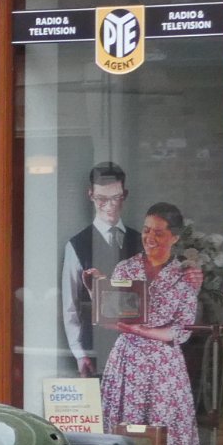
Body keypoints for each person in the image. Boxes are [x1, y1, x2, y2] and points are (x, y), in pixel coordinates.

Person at [101, 201, 202, 445]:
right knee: (124, 431)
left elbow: (182, 330)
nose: (150, 238)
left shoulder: (185, 275)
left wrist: (143, 331)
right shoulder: (126, 269)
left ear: (175, 237)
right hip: (127, 360)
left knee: (162, 438)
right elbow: (110, 318)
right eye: (147, 230)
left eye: (158, 232)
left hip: (163, 366)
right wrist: (97, 291)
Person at [60, 161, 141, 378]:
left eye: (116, 198)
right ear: (91, 195)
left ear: (124, 194)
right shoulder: (77, 245)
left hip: (141, 349)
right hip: (97, 348)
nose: (110, 205)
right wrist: (79, 354)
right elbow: (71, 306)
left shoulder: (142, 241)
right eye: (102, 199)